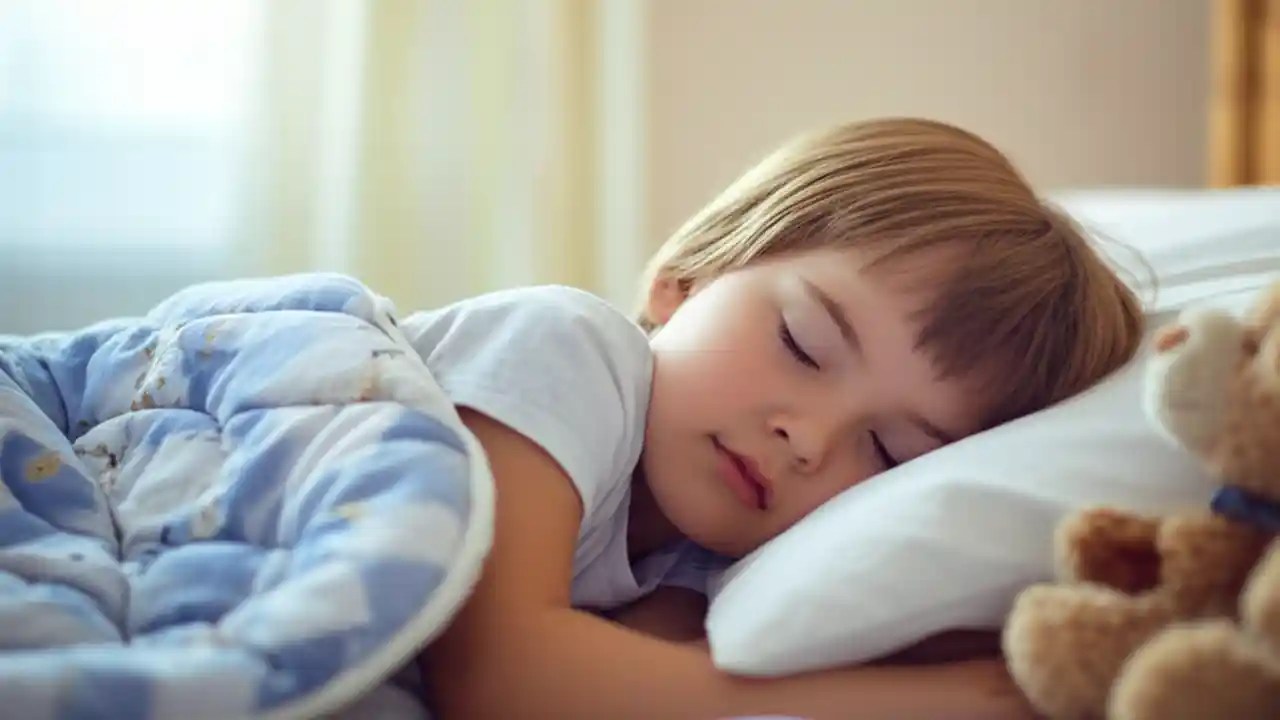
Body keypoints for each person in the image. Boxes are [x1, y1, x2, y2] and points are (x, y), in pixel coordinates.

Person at [405, 117, 1143, 719]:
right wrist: (931, 700)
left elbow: (631, 691)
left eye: (887, 451)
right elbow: (502, 681)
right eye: (803, 344)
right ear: (690, 279)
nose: (811, 438)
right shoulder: (563, 352)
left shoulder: (700, 571)